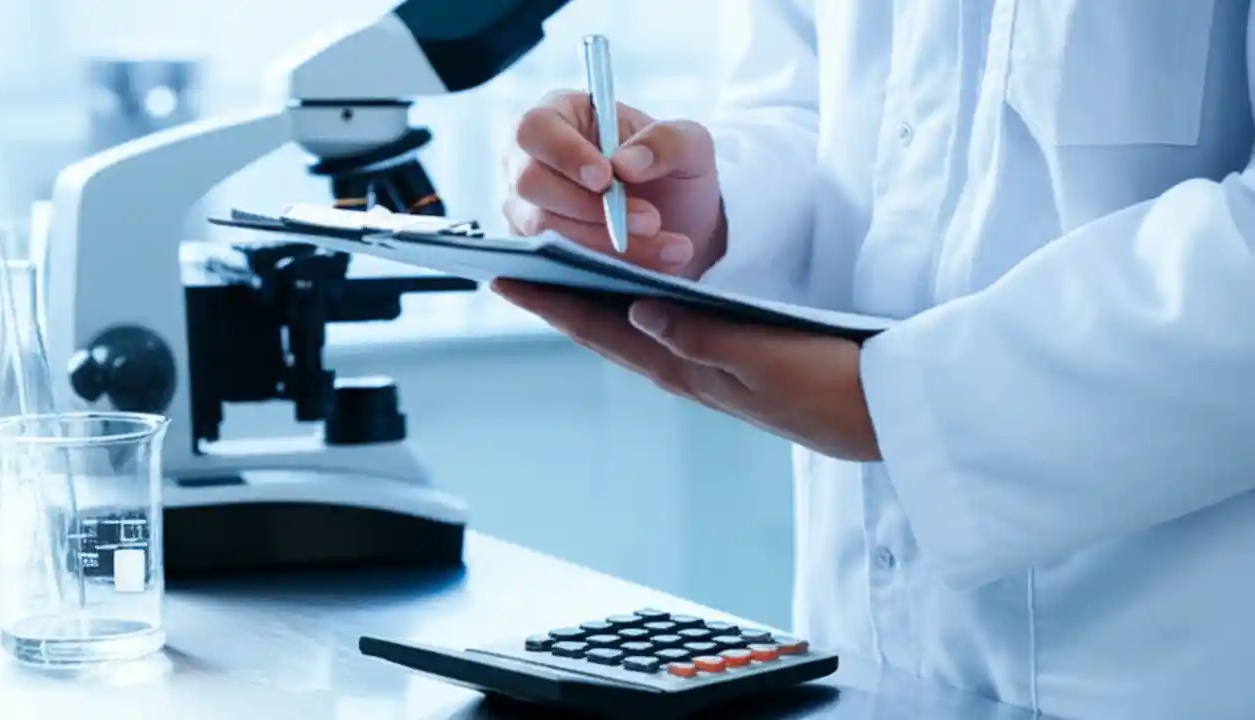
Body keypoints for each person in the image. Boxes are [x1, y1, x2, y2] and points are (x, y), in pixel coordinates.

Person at [495, 1, 1255, 718]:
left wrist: (915, 408)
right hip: (866, 636)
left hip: (1179, 656)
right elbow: (822, 112)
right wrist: (706, 214)